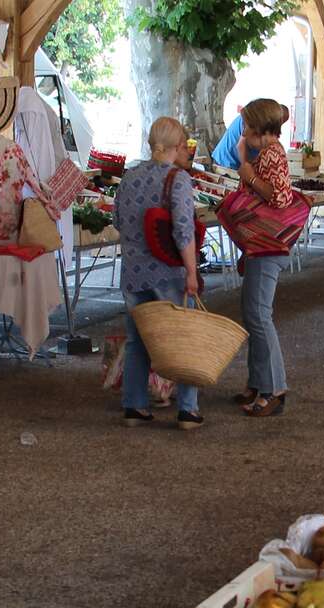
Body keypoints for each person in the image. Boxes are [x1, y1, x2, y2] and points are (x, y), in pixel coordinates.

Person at [114, 117, 203, 430]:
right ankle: (188, 410)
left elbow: (117, 221)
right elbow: (183, 229)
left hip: (133, 271)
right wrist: (191, 272)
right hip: (167, 272)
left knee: (137, 340)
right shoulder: (177, 179)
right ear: (177, 147)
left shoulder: (129, 176)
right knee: (183, 337)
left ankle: (134, 406)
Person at [230, 99, 295, 417]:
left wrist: (249, 174)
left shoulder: (271, 153)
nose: (242, 132)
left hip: (267, 243)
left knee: (258, 315)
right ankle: (258, 382)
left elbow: (280, 196)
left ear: (258, 129)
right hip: (263, 244)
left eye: (246, 127)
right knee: (253, 313)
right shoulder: (268, 152)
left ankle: (274, 389)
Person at [211, 104, 291, 169]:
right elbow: (241, 145)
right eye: (279, 122)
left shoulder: (265, 124)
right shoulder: (255, 119)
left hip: (233, 163)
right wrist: (248, 172)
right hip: (225, 162)